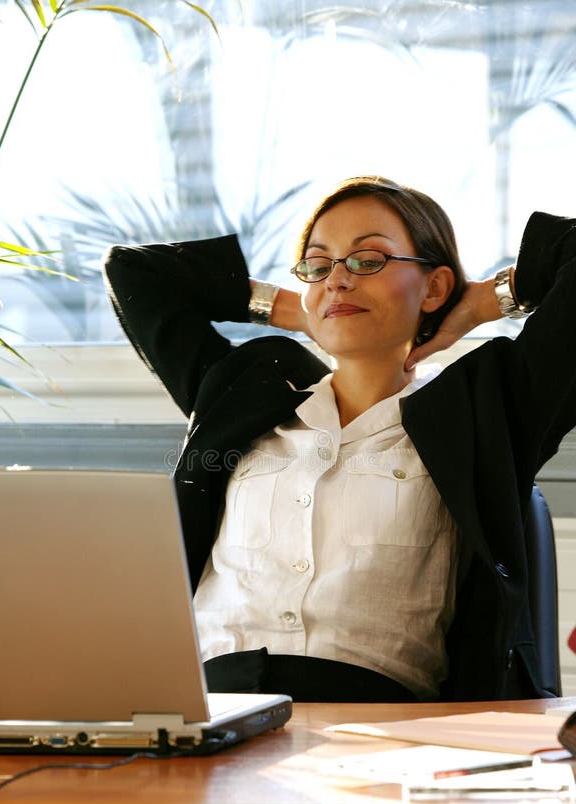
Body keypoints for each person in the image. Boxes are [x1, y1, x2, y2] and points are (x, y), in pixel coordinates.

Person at [104, 175, 576, 702]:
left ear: (434, 286)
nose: (338, 281)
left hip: (380, 724)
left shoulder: (486, 413)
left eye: (367, 260)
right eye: (318, 264)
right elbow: (137, 272)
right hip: (215, 710)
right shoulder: (239, 396)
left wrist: (482, 303)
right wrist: (295, 309)